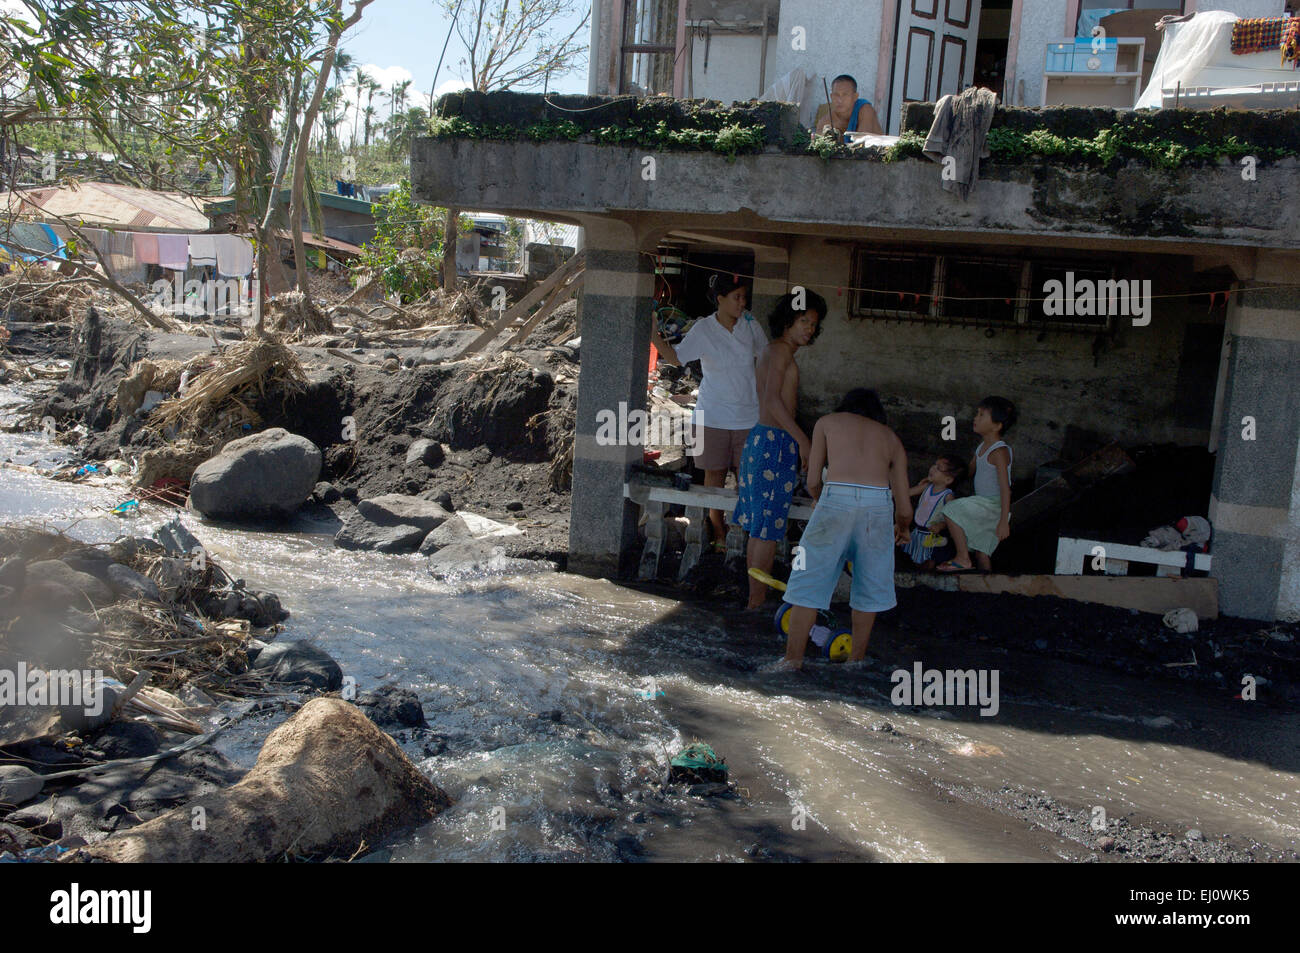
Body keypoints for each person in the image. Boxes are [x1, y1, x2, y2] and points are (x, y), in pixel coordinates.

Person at [778, 388, 912, 670]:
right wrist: (903, 528)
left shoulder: (827, 422)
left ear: (845, 406)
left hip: (834, 500)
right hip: (878, 507)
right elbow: (904, 508)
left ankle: (792, 661)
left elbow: (813, 480)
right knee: (868, 587)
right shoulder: (891, 438)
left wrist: (820, 502)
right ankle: (855, 661)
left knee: (807, 583)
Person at [652, 273, 767, 549]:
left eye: (744, 297)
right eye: (736, 297)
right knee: (713, 479)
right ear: (720, 300)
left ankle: (743, 532)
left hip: (748, 417)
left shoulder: (750, 323)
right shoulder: (704, 329)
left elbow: (766, 356)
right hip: (711, 417)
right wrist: (652, 335)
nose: (742, 303)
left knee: (746, 479)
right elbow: (676, 357)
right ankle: (718, 531)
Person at [734, 289, 827, 608]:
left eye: (813, 324)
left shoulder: (776, 351)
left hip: (765, 441)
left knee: (761, 527)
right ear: (788, 320)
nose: (809, 329)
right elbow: (772, 401)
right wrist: (804, 440)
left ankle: (754, 600)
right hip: (773, 443)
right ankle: (756, 602)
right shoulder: (780, 352)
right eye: (804, 321)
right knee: (768, 527)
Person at [934, 396, 1017, 573]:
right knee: (982, 551)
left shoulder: (999, 452)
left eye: (981, 415)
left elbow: (1005, 488)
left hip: (993, 505)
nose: (975, 418)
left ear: (997, 425)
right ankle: (986, 588)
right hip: (984, 503)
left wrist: (1003, 521)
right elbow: (968, 473)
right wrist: (943, 477)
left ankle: (963, 558)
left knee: (951, 510)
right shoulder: (982, 447)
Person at [900, 454, 965, 568]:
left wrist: (940, 525)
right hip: (919, 531)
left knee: (930, 559)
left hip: (933, 534)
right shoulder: (926, 487)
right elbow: (906, 493)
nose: (932, 468)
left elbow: (951, 519)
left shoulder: (947, 496)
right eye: (934, 465)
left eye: (938, 468)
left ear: (948, 479)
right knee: (916, 556)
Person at [814, 74, 883, 141]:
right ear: (831, 96)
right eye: (836, 95)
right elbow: (818, 146)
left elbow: (862, 142)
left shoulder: (865, 110)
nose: (840, 100)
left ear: (855, 97)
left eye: (845, 95)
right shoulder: (826, 122)